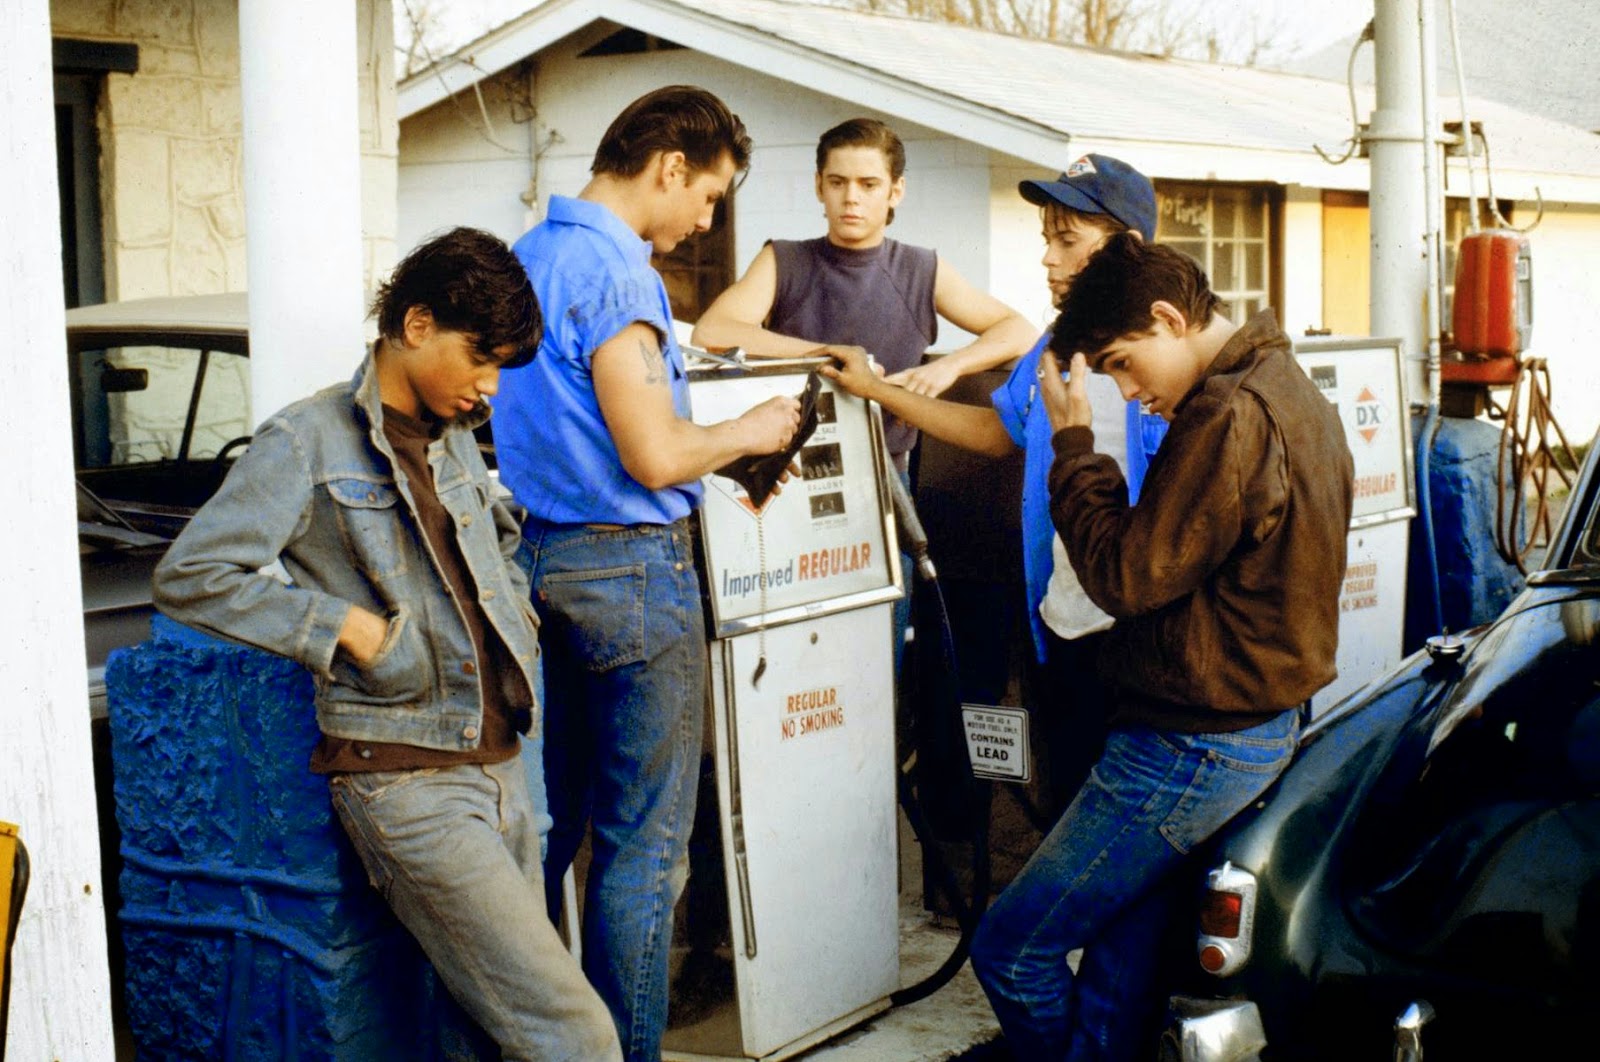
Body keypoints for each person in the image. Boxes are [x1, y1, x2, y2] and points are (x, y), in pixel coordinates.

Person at [152, 228, 622, 1061]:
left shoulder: (450, 439)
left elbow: (502, 542)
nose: (488, 388)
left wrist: (518, 609)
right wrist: (344, 629)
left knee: (477, 1032)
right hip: (406, 782)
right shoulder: (306, 442)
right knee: (573, 1035)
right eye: (480, 359)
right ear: (415, 325)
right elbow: (194, 574)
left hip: (504, 763)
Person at [966, 234, 1355, 1058]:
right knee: (1115, 975)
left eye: (1123, 363)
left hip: (1188, 744)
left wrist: (1074, 449)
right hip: (1251, 724)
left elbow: (1125, 577)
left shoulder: (1228, 416)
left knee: (1012, 948)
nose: (1126, 391)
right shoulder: (1287, 388)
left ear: (1170, 318)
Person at [494, 85, 801, 1062]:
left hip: (539, 560)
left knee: (550, 836)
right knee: (640, 853)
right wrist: (751, 431)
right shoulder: (618, 275)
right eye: (707, 198)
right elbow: (657, 456)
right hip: (631, 572)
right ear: (670, 167)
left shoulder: (527, 258)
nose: (704, 221)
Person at [821, 154, 1161, 805]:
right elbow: (996, 432)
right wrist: (878, 392)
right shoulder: (1054, 347)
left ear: (1132, 248)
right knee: (1066, 804)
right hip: (1062, 621)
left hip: (1143, 641)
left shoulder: (1170, 362)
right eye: (1046, 241)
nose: (1049, 260)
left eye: (1069, 241)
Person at [692, 116, 1036, 473]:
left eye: (868, 184)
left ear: (895, 191)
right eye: (837, 182)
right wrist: (824, 355)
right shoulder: (783, 259)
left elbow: (1019, 330)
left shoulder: (919, 268)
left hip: (887, 469)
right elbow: (712, 331)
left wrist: (949, 368)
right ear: (818, 186)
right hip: (793, 467)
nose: (851, 198)